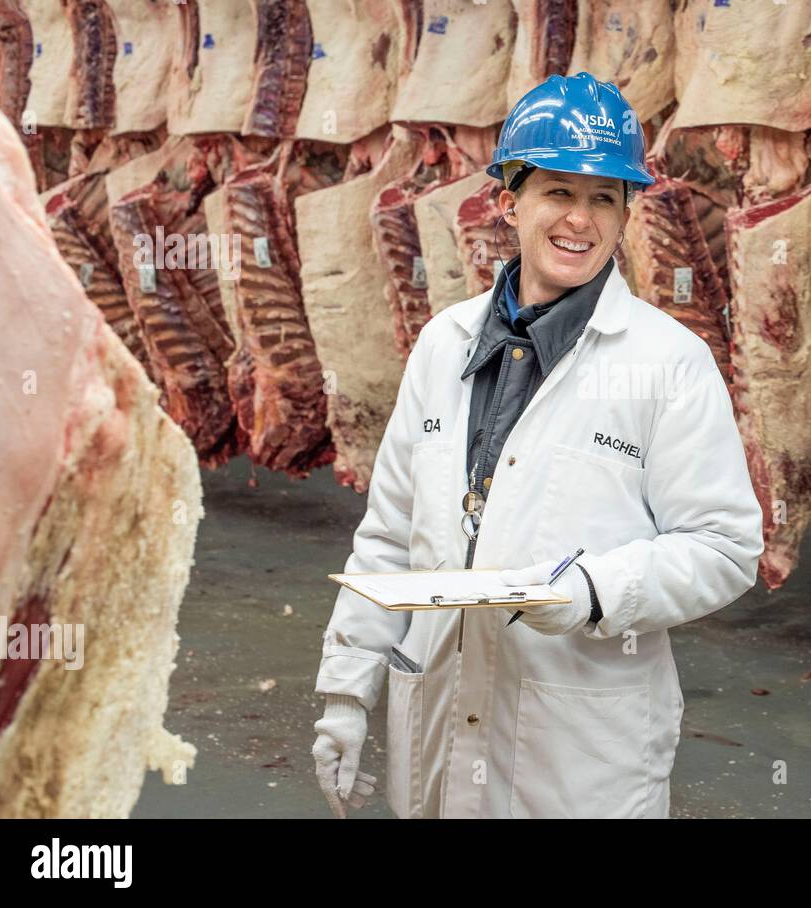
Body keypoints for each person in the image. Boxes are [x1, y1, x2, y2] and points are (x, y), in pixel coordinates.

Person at [311, 72, 764, 819]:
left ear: (625, 216)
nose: (579, 221)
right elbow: (389, 536)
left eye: (603, 199)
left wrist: (592, 593)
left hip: (581, 759)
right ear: (508, 200)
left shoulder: (668, 362)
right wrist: (346, 692)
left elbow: (724, 548)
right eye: (558, 191)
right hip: (436, 735)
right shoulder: (442, 343)